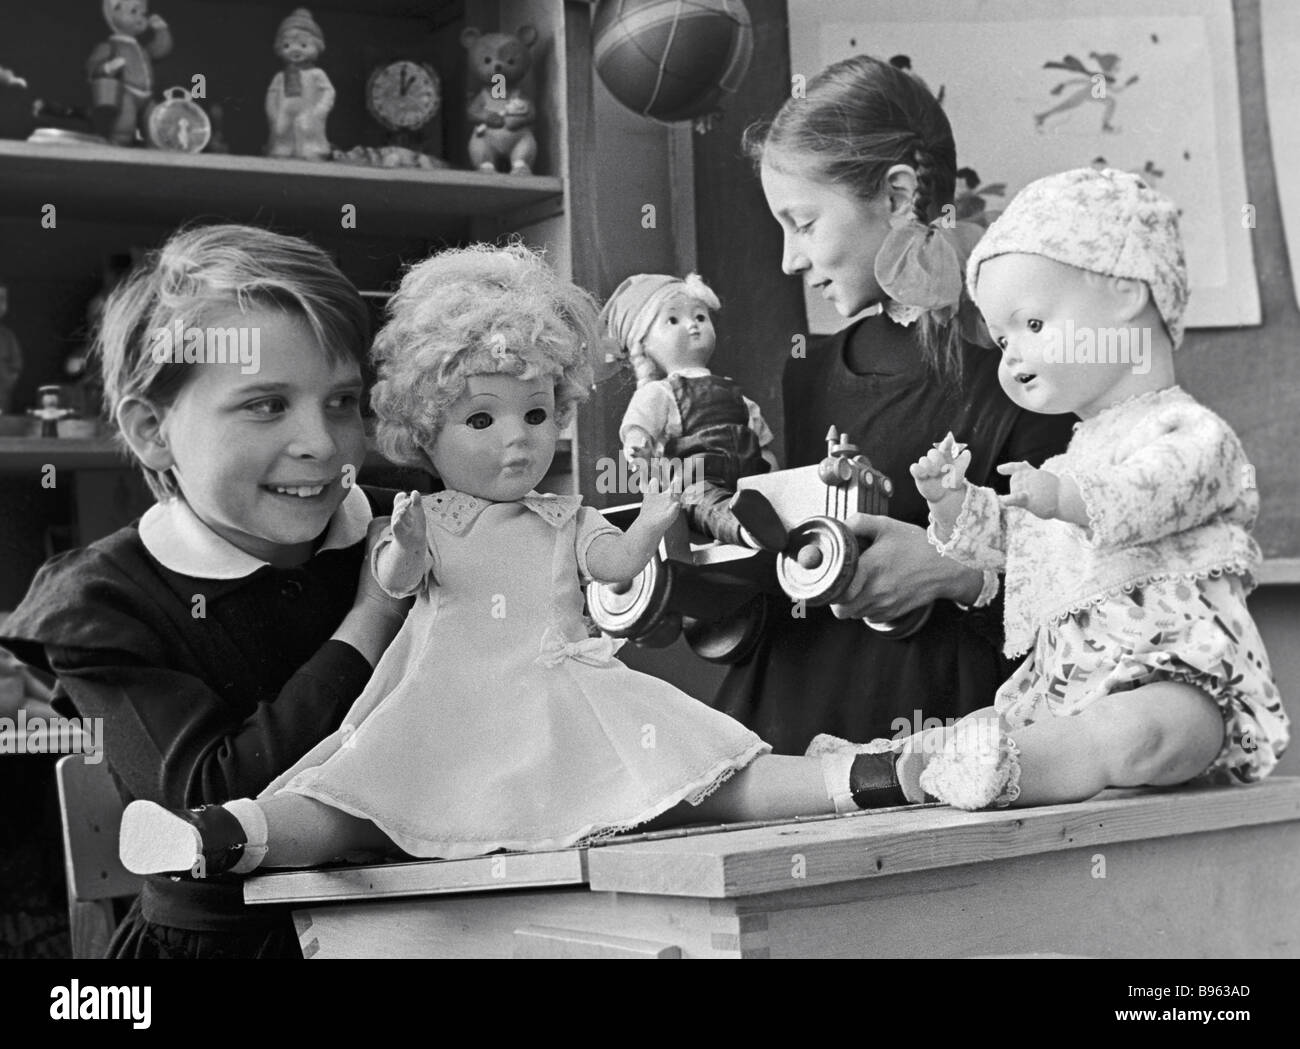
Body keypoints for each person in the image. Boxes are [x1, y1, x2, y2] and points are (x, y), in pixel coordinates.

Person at [116, 244, 957, 880]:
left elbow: (619, 561)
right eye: (480, 420)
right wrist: (395, 565)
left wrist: (663, 514)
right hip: (447, 697)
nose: (518, 439)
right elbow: (394, 585)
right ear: (420, 425)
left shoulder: (558, 514)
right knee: (349, 800)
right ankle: (222, 836)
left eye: (538, 412)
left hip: (558, 683)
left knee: (697, 772)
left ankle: (866, 774)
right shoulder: (417, 515)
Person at [0, 224, 408, 958]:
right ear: (153, 430)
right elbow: (208, 798)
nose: (321, 441)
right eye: (265, 405)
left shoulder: (405, 523)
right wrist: (372, 619)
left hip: (437, 919)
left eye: (343, 401)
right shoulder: (102, 605)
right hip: (229, 946)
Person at [887, 167, 1287, 809]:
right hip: (1071, 680)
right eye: (1001, 337)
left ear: (1127, 293)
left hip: (1176, 677)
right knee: (1018, 723)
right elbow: (1027, 544)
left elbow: (1156, 491)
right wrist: (959, 506)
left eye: (1033, 324)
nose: (1012, 356)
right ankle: (958, 764)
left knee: (1145, 730)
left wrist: (1065, 499)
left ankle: (1011, 767)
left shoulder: (1188, 429)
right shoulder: (1072, 457)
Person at [711, 54, 1077, 754]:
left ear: (898, 194)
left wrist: (961, 572)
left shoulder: (1022, 370)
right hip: (788, 740)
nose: (790, 259)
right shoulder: (807, 376)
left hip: (942, 743)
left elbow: (1083, 583)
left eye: (803, 222)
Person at [604, 271, 780, 546]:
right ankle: (746, 530)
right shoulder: (658, 393)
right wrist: (640, 449)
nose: (693, 326)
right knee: (702, 498)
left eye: (700, 316)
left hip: (748, 480)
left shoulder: (734, 392)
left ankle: (761, 519)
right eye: (673, 320)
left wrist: (773, 475)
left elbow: (760, 441)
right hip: (691, 484)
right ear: (644, 344)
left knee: (770, 495)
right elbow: (637, 431)